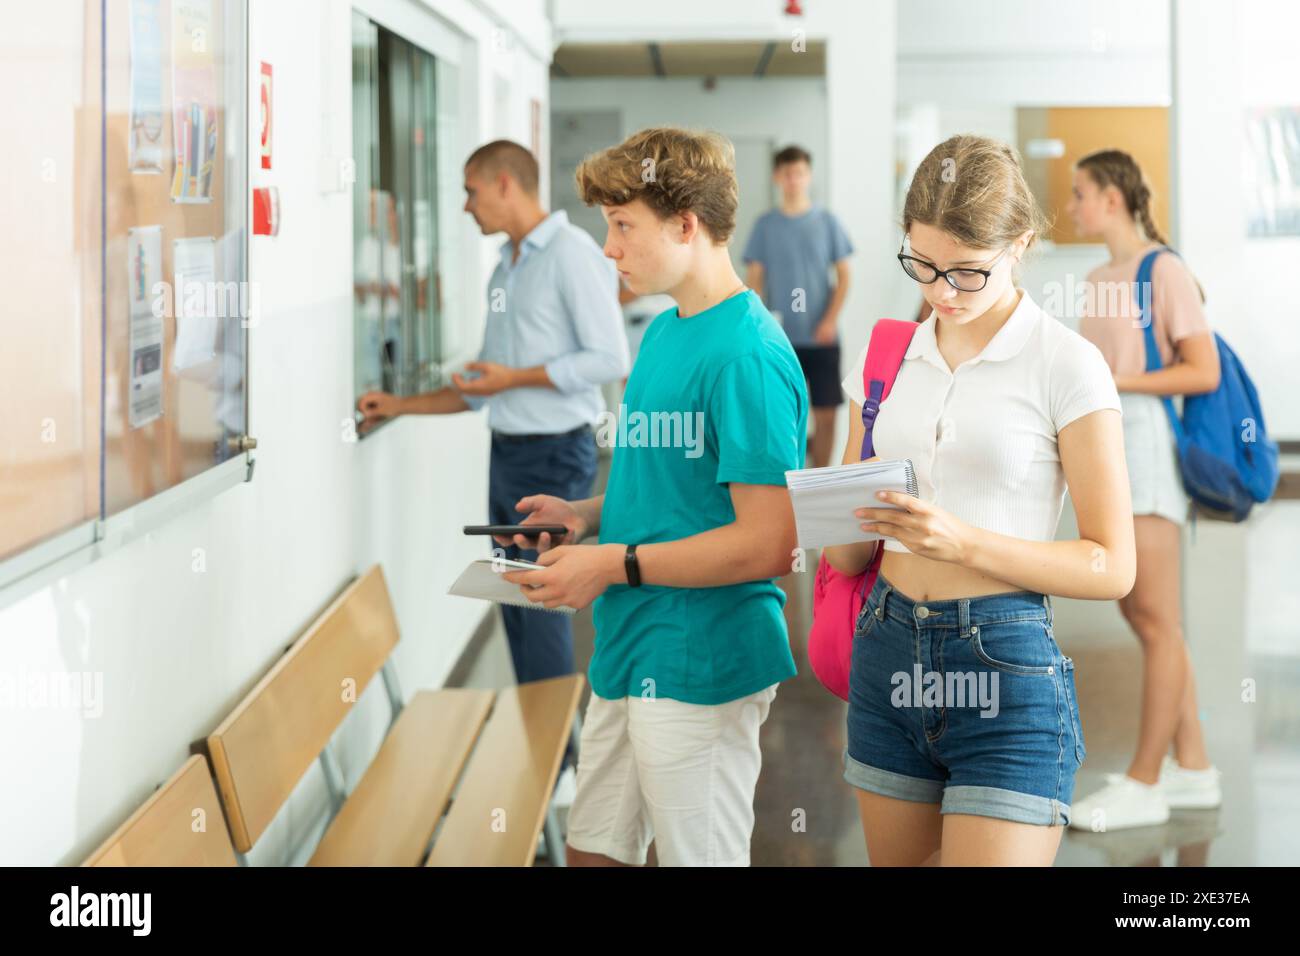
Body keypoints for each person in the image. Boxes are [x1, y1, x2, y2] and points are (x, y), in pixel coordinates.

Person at [499, 127, 808, 866]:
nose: (608, 247)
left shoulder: (748, 356)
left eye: (622, 224)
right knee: (594, 853)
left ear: (686, 225)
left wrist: (611, 564)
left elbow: (770, 541)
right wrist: (587, 516)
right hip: (629, 642)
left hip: (699, 657)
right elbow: (672, 487)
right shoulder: (669, 331)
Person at [824, 135, 1136, 866]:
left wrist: (961, 542)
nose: (942, 292)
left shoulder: (1067, 363)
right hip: (886, 647)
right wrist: (833, 512)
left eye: (968, 271)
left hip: (1005, 661)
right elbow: (845, 550)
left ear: (1020, 245)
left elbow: (1111, 565)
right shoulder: (889, 353)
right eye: (923, 265)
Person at [357, 140, 628, 708]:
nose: (464, 206)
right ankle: (544, 750)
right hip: (508, 453)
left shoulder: (572, 255)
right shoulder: (505, 269)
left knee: (542, 599)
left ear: (506, 183)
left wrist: (512, 379)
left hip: (558, 454)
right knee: (514, 600)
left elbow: (610, 359)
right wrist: (399, 404)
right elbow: (484, 387)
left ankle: (561, 765)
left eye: (470, 191)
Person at [1066, 148, 1223, 830]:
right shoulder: (1098, 274)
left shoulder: (1165, 269)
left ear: (1113, 199)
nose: (1071, 206)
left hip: (1147, 446)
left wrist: (1118, 384)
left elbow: (1204, 370)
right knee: (1139, 615)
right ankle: (1194, 766)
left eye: (1080, 193)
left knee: (1158, 621)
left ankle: (1145, 780)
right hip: (1109, 447)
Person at [743, 145, 853, 468]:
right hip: (779, 340)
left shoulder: (827, 221)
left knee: (827, 415)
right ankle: (788, 480)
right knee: (780, 416)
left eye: (800, 173)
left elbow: (845, 276)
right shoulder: (765, 225)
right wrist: (761, 326)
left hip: (821, 337)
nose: (794, 180)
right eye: (788, 174)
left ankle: (820, 479)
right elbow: (754, 281)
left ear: (809, 176)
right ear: (778, 177)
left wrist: (830, 321)